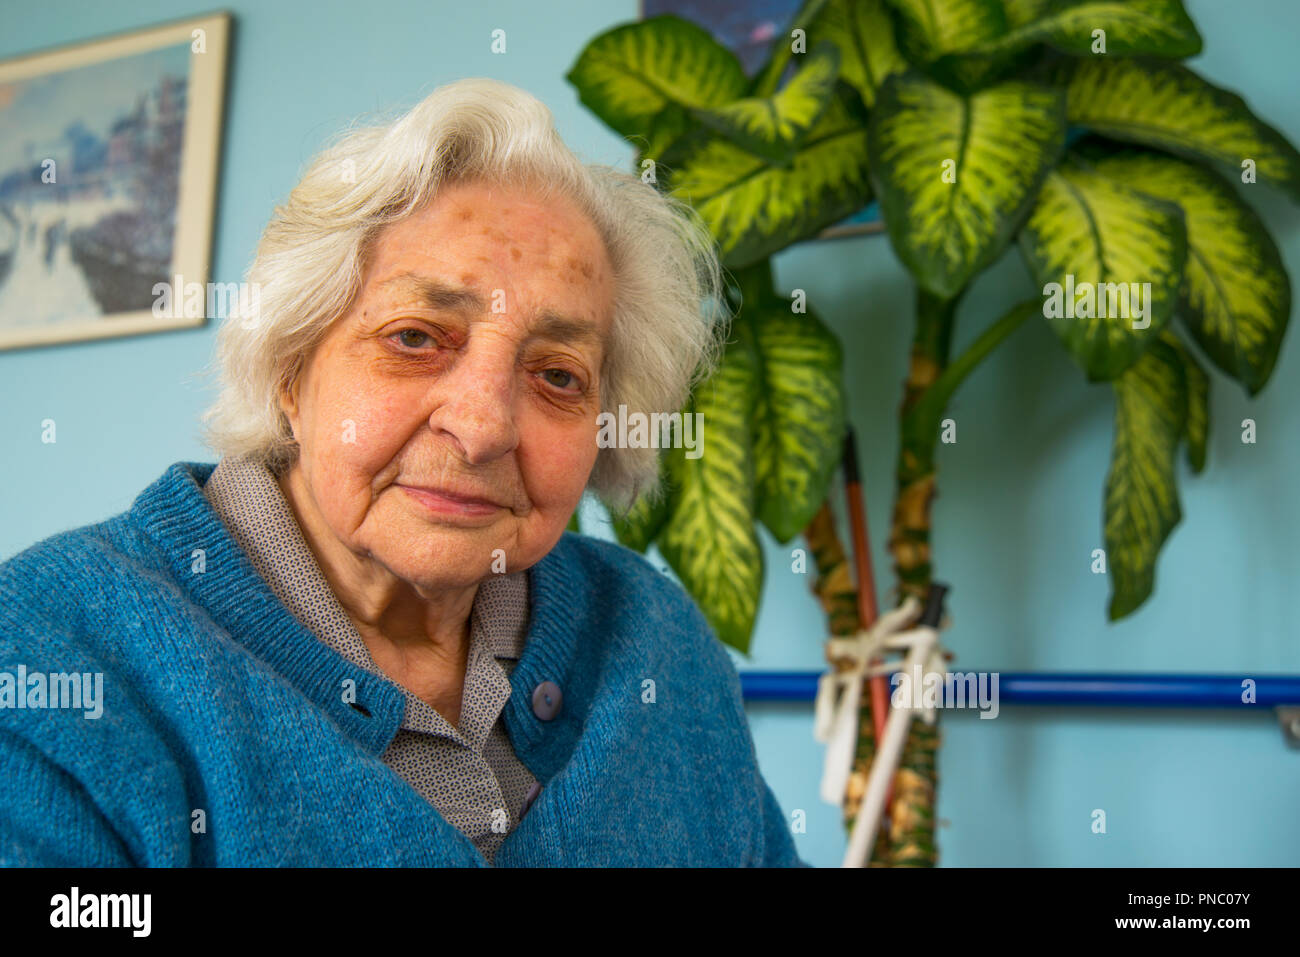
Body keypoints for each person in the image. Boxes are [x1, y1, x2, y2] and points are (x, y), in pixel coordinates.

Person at [0, 78, 807, 867]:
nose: (484, 426)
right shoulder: (48, 656)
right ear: (291, 369)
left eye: (558, 375)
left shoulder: (655, 639)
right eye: (416, 338)